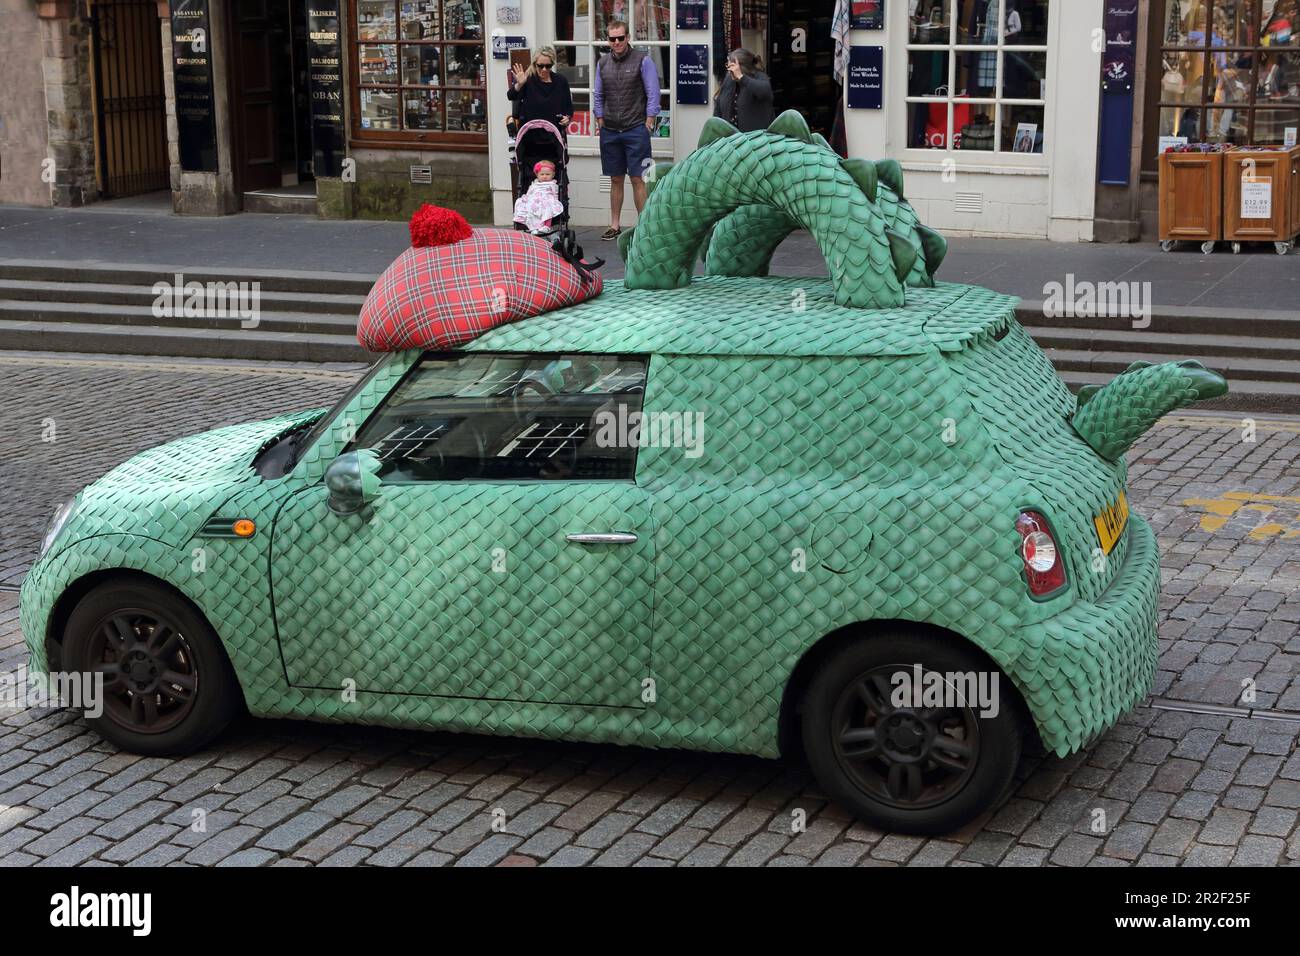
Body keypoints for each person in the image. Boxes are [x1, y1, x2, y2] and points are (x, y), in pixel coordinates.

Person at [592, 19, 660, 240]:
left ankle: (643, 225)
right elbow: (599, 95)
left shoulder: (643, 60)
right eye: (613, 39)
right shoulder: (602, 63)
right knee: (615, 179)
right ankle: (614, 225)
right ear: (608, 40)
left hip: (635, 128)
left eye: (621, 37)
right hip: (610, 130)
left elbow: (653, 93)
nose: (617, 42)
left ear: (628, 37)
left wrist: (649, 121)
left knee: (638, 178)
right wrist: (600, 119)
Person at [508, 45, 573, 130]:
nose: (544, 69)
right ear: (535, 64)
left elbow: (568, 107)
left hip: (554, 133)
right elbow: (511, 96)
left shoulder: (561, 81)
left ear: (552, 65)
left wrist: (567, 118)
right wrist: (519, 84)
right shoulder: (528, 80)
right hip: (531, 133)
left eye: (548, 66)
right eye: (540, 66)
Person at [712, 48, 774, 132]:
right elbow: (719, 107)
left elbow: (764, 91)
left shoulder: (759, 77)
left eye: (733, 66)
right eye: (728, 66)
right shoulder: (728, 79)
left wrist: (742, 78)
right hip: (730, 138)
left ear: (743, 67)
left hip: (754, 138)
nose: (730, 70)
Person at [513, 160, 565, 235]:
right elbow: (530, 192)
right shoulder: (534, 184)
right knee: (522, 203)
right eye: (542, 174)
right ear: (537, 175)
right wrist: (527, 198)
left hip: (547, 199)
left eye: (548, 174)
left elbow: (555, 194)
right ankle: (533, 227)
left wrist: (554, 200)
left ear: (553, 175)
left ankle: (546, 226)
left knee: (547, 207)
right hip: (535, 200)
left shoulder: (553, 184)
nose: (545, 176)